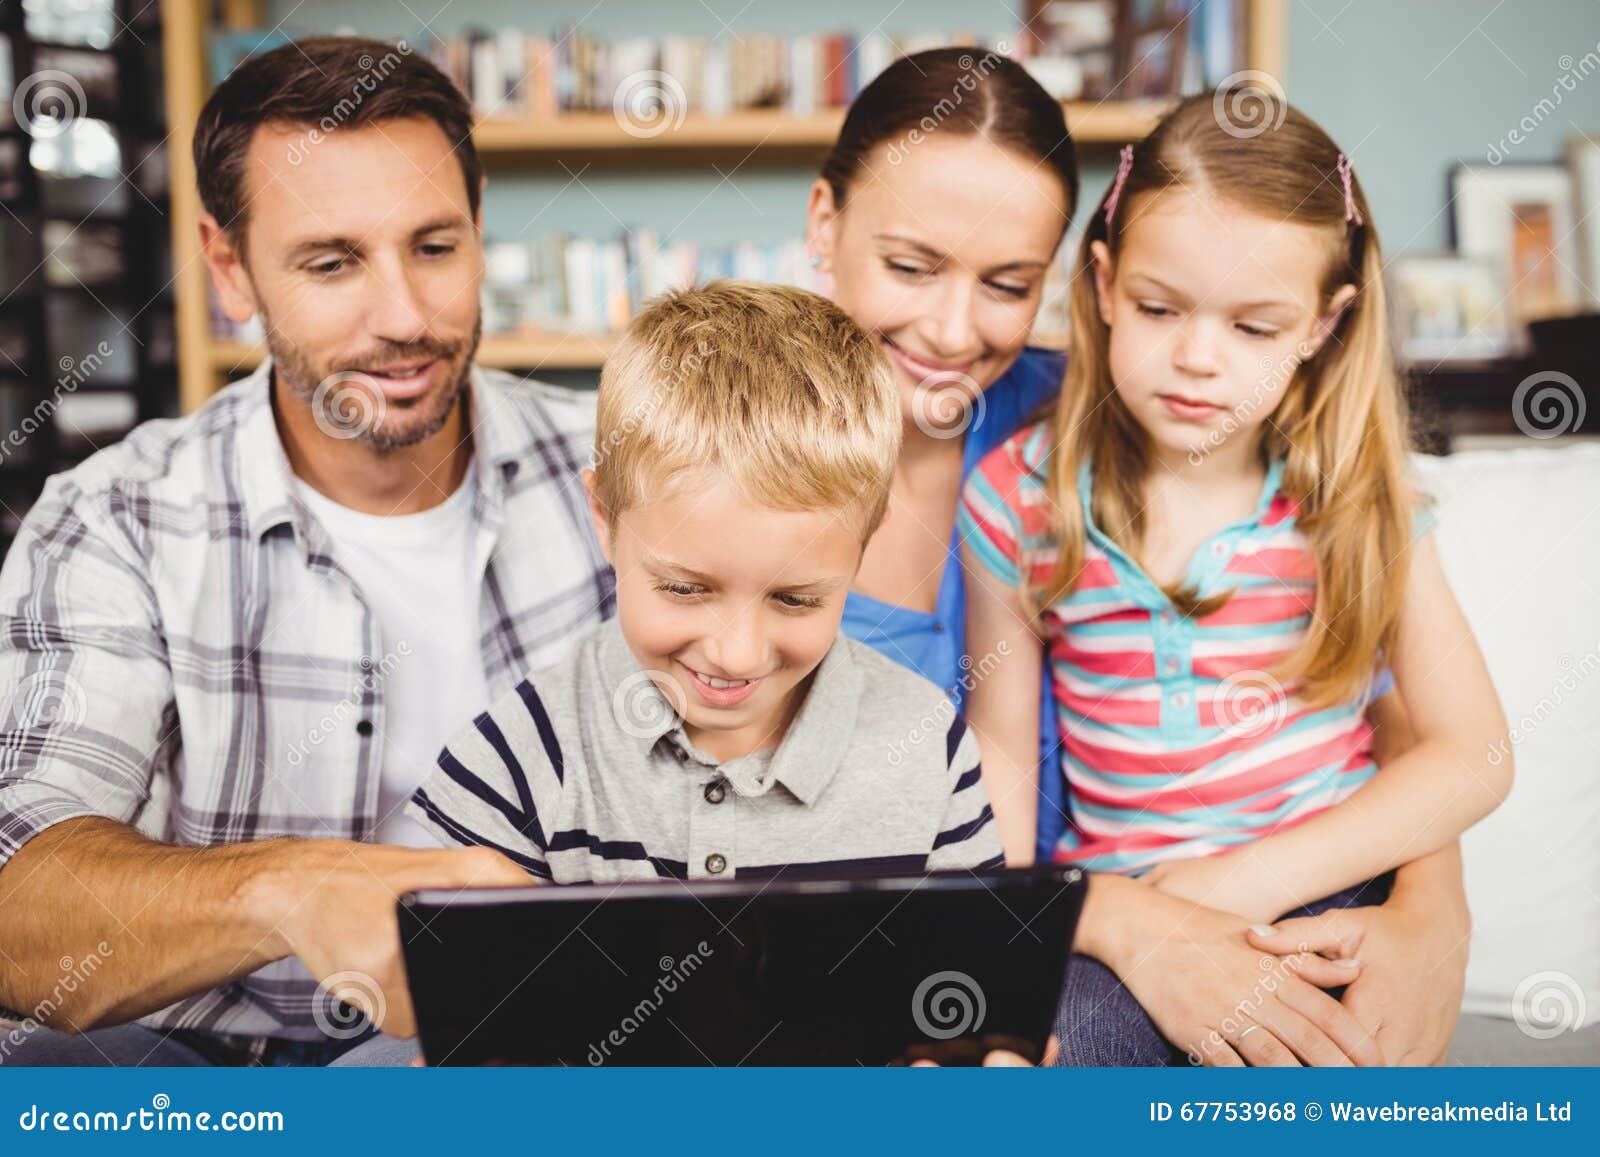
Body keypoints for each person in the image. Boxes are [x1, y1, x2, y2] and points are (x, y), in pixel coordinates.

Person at [0, 37, 604, 1065]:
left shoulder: (624, 470)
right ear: (229, 265)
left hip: (575, 1051)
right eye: (332, 262)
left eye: (435, 246)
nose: (404, 317)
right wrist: (296, 888)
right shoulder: (114, 520)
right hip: (251, 1077)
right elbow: (22, 908)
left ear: (479, 225)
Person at [959, 91, 1512, 1065]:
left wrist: (1238, 885)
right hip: (1124, 919)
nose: (1196, 358)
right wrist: (1007, 947)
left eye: (1254, 327)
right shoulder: (1014, 499)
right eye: (1158, 307)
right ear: (1100, 280)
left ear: (1322, 325)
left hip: (1327, 887)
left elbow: (1471, 753)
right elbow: (1002, 758)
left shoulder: (1356, 498)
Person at [409, 281, 1003, 883]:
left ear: (865, 544)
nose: (735, 652)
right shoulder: (515, 760)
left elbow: (972, 969)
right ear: (606, 522)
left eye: (795, 599)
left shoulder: (928, 746)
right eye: (686, 590)